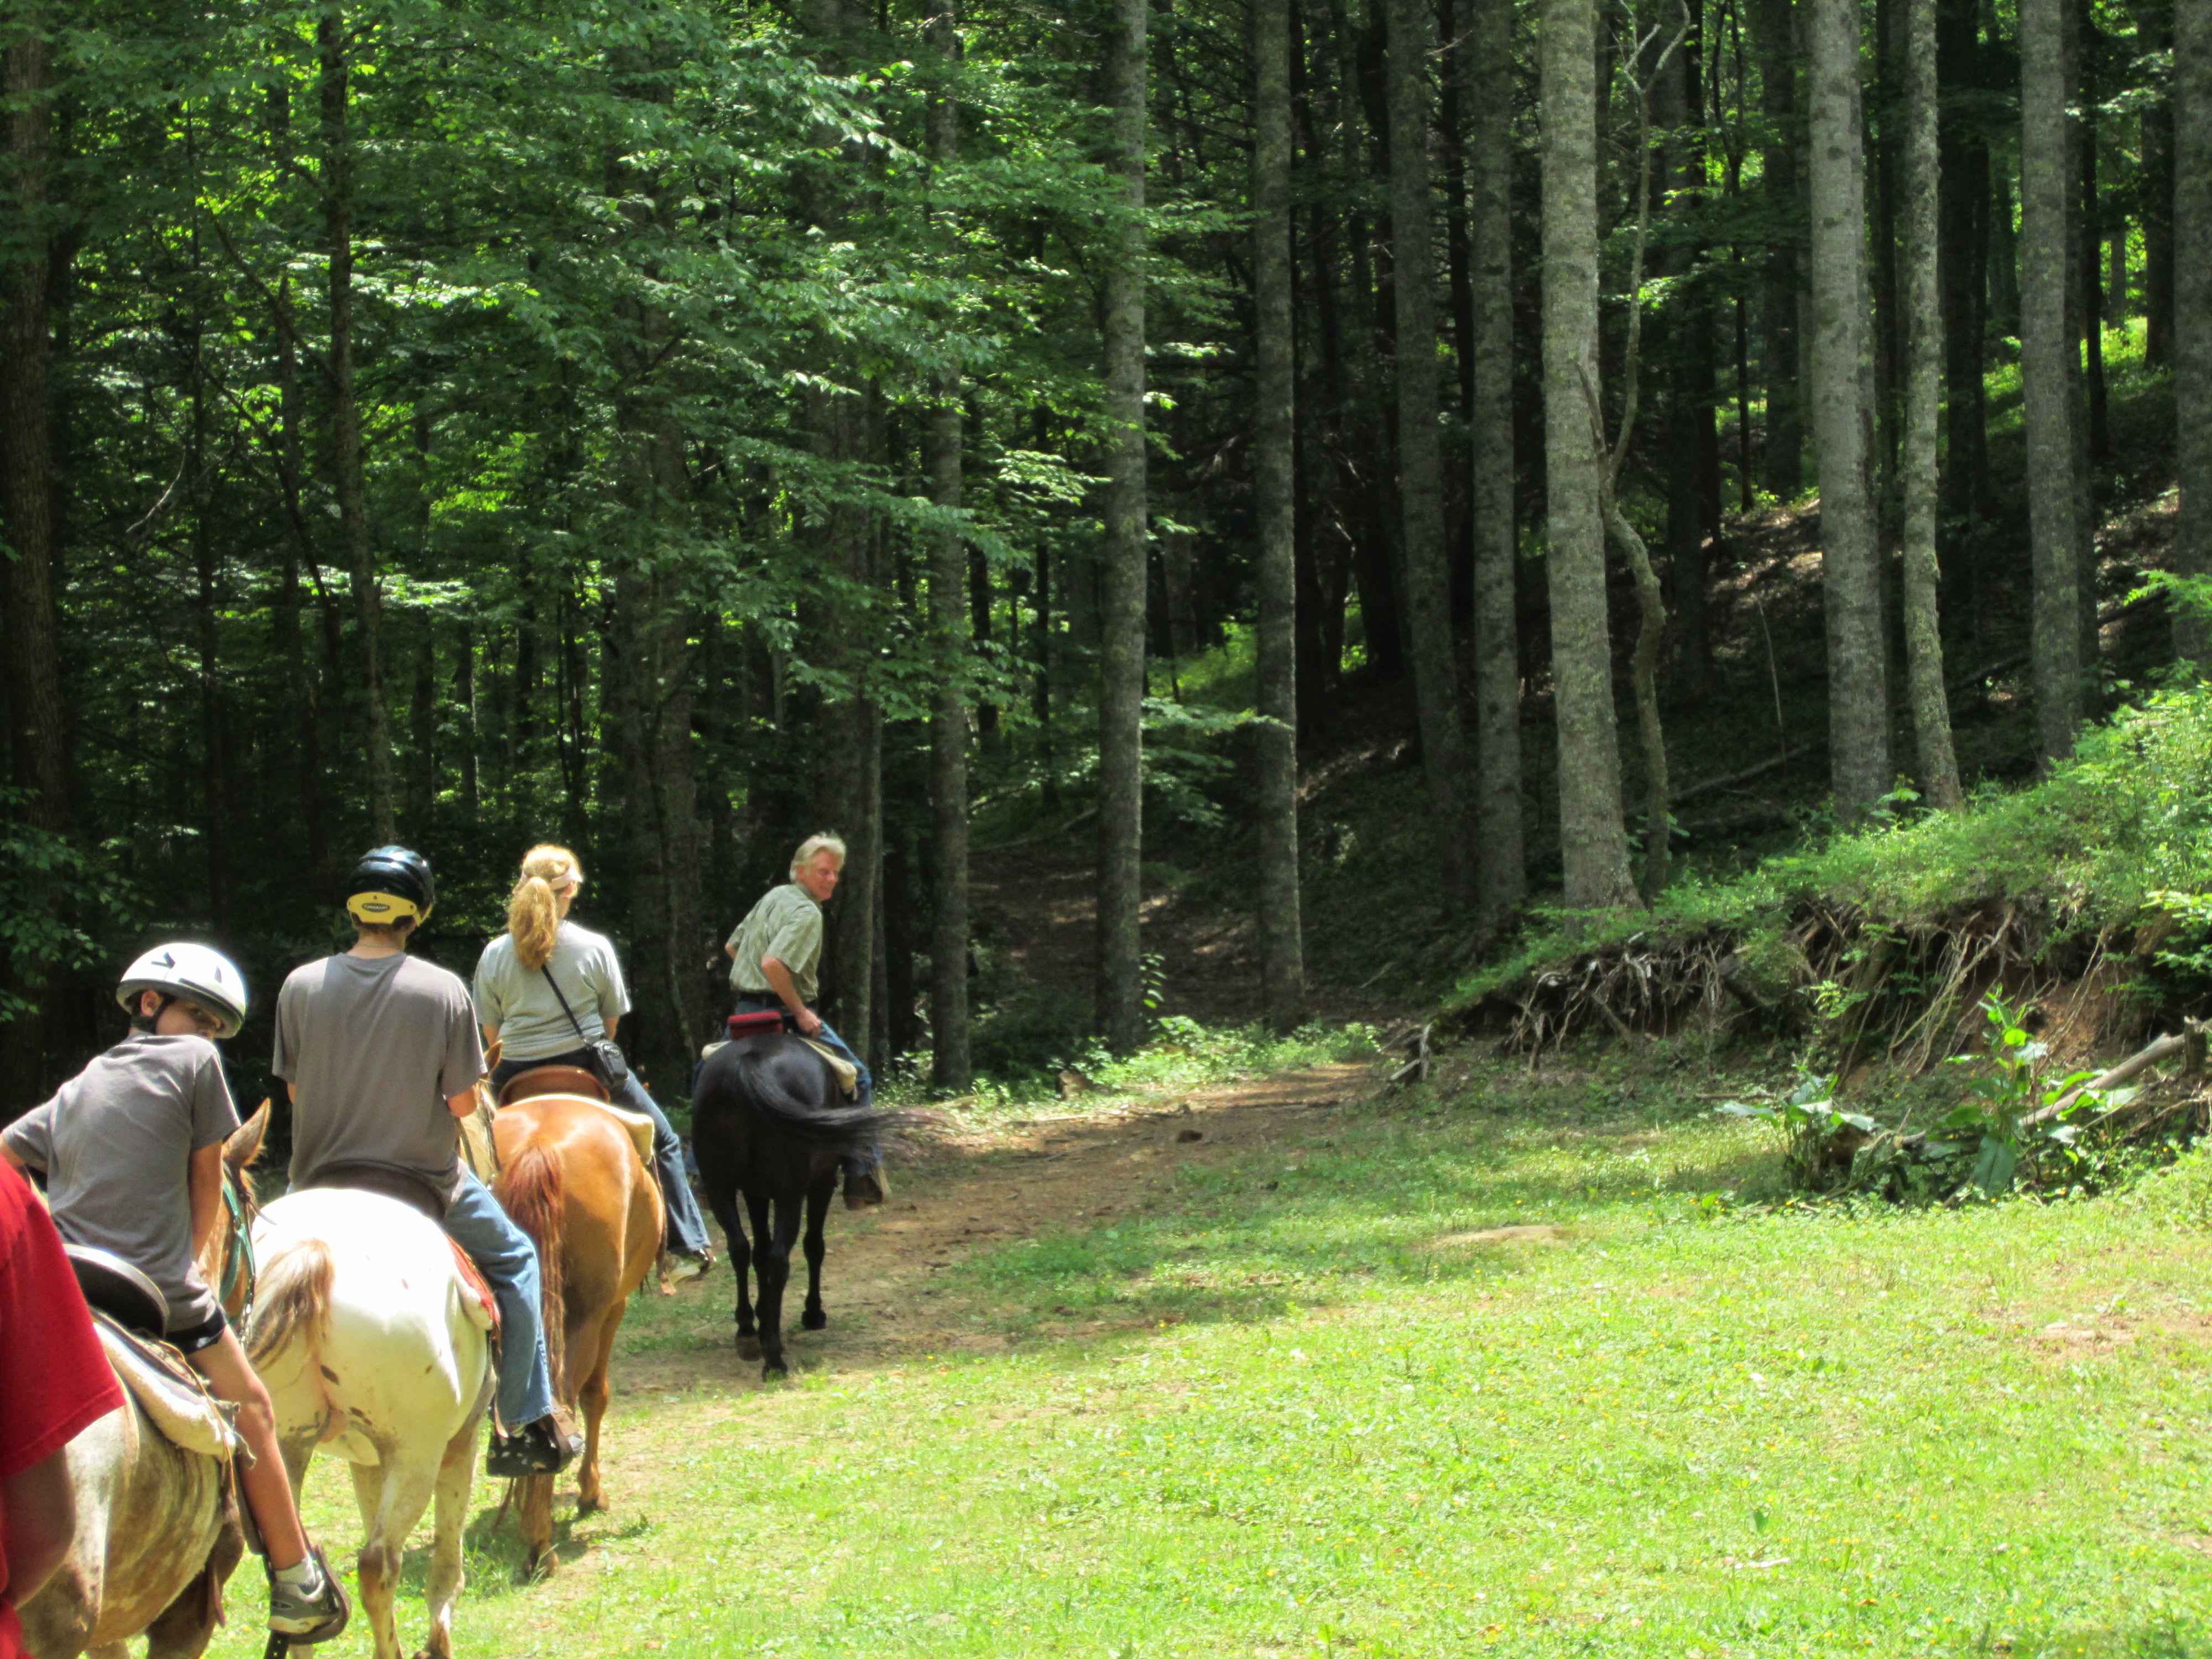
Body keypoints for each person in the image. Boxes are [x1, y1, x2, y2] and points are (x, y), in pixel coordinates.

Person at [1, 946, 349, 1642]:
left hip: (68, 1284)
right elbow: (205, 1173)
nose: (208, 1033)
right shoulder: (195, 1065)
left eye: (217, 1026)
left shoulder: (80, 1083)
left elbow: (10, 1150)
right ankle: (294, 1577)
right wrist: (190, 1261)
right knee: (252, 1406)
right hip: (155, 1286)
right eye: (200, 1015)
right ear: (151, 1004)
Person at [274, 846, 577, 1479]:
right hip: (421, 1181)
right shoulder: (441, 989)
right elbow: (464, 1101)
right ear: (419, 914)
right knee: (519, 1259)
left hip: (312, 1183)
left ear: (355, 909)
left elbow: (297, 1092)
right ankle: (520, 1420)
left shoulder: (299, 986)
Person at [473, 843, 714, 1281]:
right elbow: (610, 1026)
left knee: (468, 1147)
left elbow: (491, 1035)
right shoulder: (594, 947)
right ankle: (685, 1245)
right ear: (571, 890)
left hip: (514, 1070)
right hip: (583, 1062)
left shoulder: (494, 954)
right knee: (664, 1140)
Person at [0, 1159, 123, 1659]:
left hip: (74, 1248)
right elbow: (47, 1529)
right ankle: (293, 1569)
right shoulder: (194, 1077)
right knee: (254, 1404)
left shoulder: (63, 1105)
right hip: (157, 1270)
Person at [723, 832, 884, 1208]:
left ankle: (699, 1167)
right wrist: (798, 1010)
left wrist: (759, 985)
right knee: (859, 1076)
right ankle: (862, 1172)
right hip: (782, 1014)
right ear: (800, 872)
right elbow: (773, 963)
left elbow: (734, 947)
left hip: (746, 1014)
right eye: (823, 872)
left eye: (835, 873)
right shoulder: (807, 912)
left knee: (708, 1075)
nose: (831, 880)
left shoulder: (772, 897)